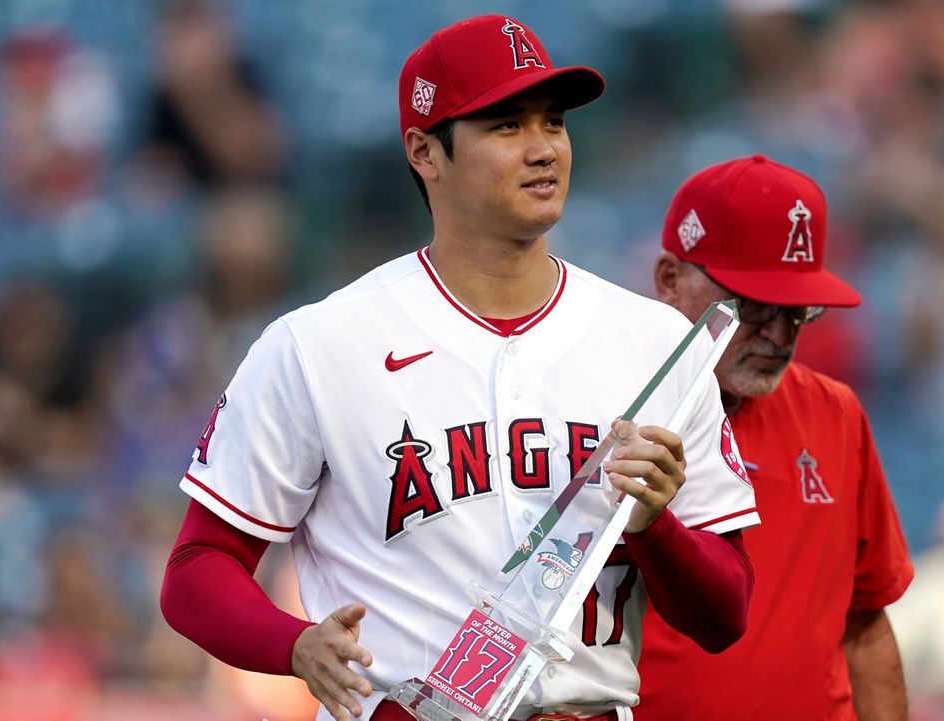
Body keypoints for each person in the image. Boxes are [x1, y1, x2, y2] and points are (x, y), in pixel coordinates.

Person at [159, 15, 759, 721]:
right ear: (425, 152)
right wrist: (295, 645)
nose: (543, 150)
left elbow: (725, 614)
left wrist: (657, 526)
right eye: (507, 126)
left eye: (554, 122)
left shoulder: (657, 343)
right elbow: (196, 570)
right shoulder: (319, 345)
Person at [637, 155, 914, 720]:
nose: (780, 335)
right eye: (754, 305)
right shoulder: (605, 411)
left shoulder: (835, 413)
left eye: (798, 310)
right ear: (670, 280)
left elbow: (864, 626)